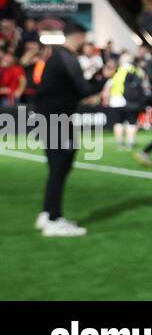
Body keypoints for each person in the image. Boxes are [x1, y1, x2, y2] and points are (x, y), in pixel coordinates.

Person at [33, 21, 103, 237]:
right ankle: (54, 219)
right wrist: (105, 78)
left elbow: (75, 88)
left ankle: (48, 214)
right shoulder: (66, 57)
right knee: (60, 164)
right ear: (78, 36)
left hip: (50, 116)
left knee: (58, 164)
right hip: (57, 118)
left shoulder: (57, 57)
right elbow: (83, 90)